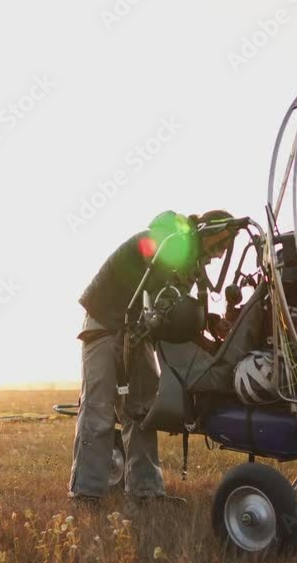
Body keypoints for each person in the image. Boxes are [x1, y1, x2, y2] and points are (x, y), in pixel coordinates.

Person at [69, 210, 236, 505]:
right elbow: (169, 304)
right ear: (207, 233)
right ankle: (85, 492)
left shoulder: (183, 257)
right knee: (98, 409)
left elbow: (175, 307)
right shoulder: (167, 243)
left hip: (138, 331)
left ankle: (146, 491)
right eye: (218, 247)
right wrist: (207, 342)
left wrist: (209, 322)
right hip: (105, 327)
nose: (218, 255)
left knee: (143, 409)